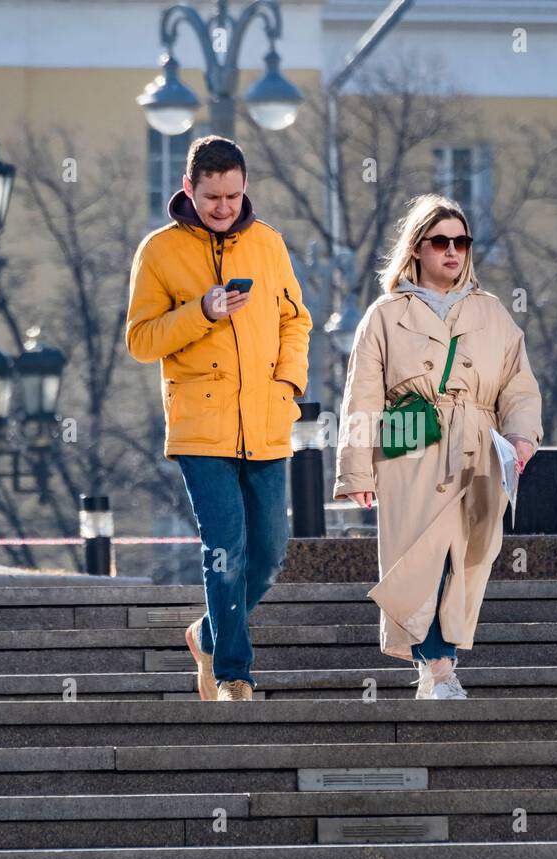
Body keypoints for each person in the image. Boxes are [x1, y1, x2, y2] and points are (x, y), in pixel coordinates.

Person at [333, 194, 543, 699]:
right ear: (418, 248)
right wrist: (357, 472)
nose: (453, 251)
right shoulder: (384, 315)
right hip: (410, 437)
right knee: (421, 558)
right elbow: (362, 396)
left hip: (477, 442)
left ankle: (435, 670)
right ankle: (441, 671)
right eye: (441, 241)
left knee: (469, 556)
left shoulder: (493, 314)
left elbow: (519, 384)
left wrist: (521, 435)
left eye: (461, 241)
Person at [125, 135, 312, 702]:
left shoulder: (269, 244)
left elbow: (295, 320)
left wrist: (288, 384)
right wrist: (200, 312)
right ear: (189, 189)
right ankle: (235, 674)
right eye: (212, 197)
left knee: (272, 551)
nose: (224, 207)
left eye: (233, 195)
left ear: (244, 187)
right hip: (200, 426)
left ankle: (207, 635)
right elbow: (140, 339)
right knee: (225, 547)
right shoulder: (159, 252)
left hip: (267, 420)